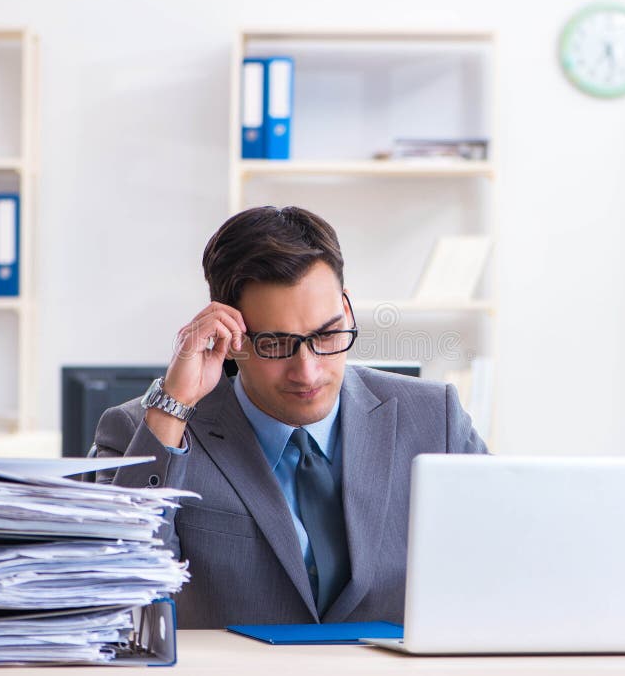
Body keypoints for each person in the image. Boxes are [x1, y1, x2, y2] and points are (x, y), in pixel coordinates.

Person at [92, 205, 487, 629]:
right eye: (277, 344)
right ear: (230, 337)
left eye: (327, 334)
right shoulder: (142, 431)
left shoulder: (435, 419)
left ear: (348, 310)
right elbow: (112, 591)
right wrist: (173, 407)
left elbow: (505, 563)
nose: (308, 371)